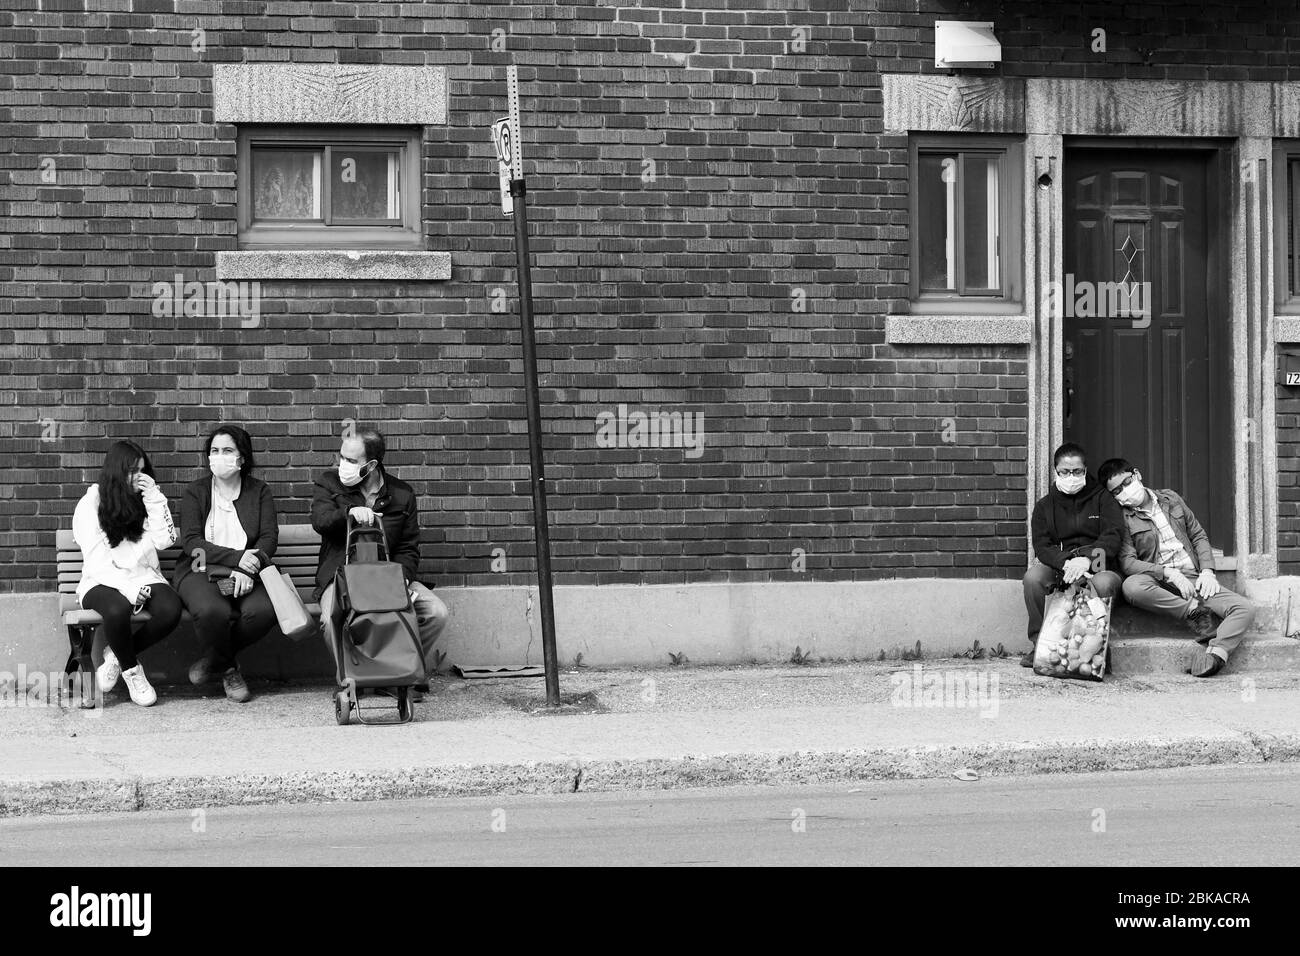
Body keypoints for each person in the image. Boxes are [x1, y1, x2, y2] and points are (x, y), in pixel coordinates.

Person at [311, 427, 449, 698]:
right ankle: (352, 679)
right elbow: (321, 521)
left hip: (387, 576)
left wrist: (402, 581)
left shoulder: (402, 494)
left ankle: (397, 673)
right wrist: (349, 512)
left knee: (435, 612)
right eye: (341, 457)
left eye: (351, 461)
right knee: (330, 619)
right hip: (343, 576)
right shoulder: (329, 483)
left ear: (371, 465)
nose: (342, 465)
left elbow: (409, 547)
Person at [1098, 459, 1255, 677]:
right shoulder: (1122, 517)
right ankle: (1194, 612)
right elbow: (1128, 562)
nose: (1124, 492)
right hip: (1157, 579)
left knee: (1244, 609)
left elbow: (1198, 535)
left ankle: (1215, 655)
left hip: (1193, 577)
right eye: (1117, 491)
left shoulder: (1170, 499)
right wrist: (1168, 573)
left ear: (1137, 474)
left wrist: (1208, 572)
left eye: (1126, 483)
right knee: (1132, 586)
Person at [173, 424, 279, 703]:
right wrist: (237, 559)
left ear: (242, 457)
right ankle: (230, 669)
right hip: (200, 568)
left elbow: (269, 538)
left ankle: (212, 661)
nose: (219, 456)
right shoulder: (196, 492)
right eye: (214, 451)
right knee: (211, 611)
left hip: (248, 572)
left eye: (227, 450)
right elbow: (192, 542)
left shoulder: (260, 491)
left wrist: (246, 567)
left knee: (263, 612)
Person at [72, 440, 182, 707]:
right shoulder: (91, 504)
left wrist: (154, 497)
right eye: (132, 471)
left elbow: (166, 540)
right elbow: (97, 562)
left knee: (170, 609)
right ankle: (132, 671)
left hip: (143, 576)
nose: (138, 478)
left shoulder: (146, 499)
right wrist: (129, 589)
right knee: (117, 608)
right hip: (101, 580)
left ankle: (116, 656)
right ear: (116, 471)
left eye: (142, 471)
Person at [1023, 442, 1124, 667]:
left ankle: (1099, 645)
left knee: (1106, 582)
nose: (1071, 476)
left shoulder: (1103, 499)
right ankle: (1039, 643)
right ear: (1056, 472)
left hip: (1098, 563)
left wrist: (1087, 559)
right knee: (1033, 579)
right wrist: (1067, 562)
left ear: (1085, 470)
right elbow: (1042, 545)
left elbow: (1113, 536)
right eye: (1065, 472)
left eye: (1077, 471)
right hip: (1062, 566)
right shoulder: (1044, 506)